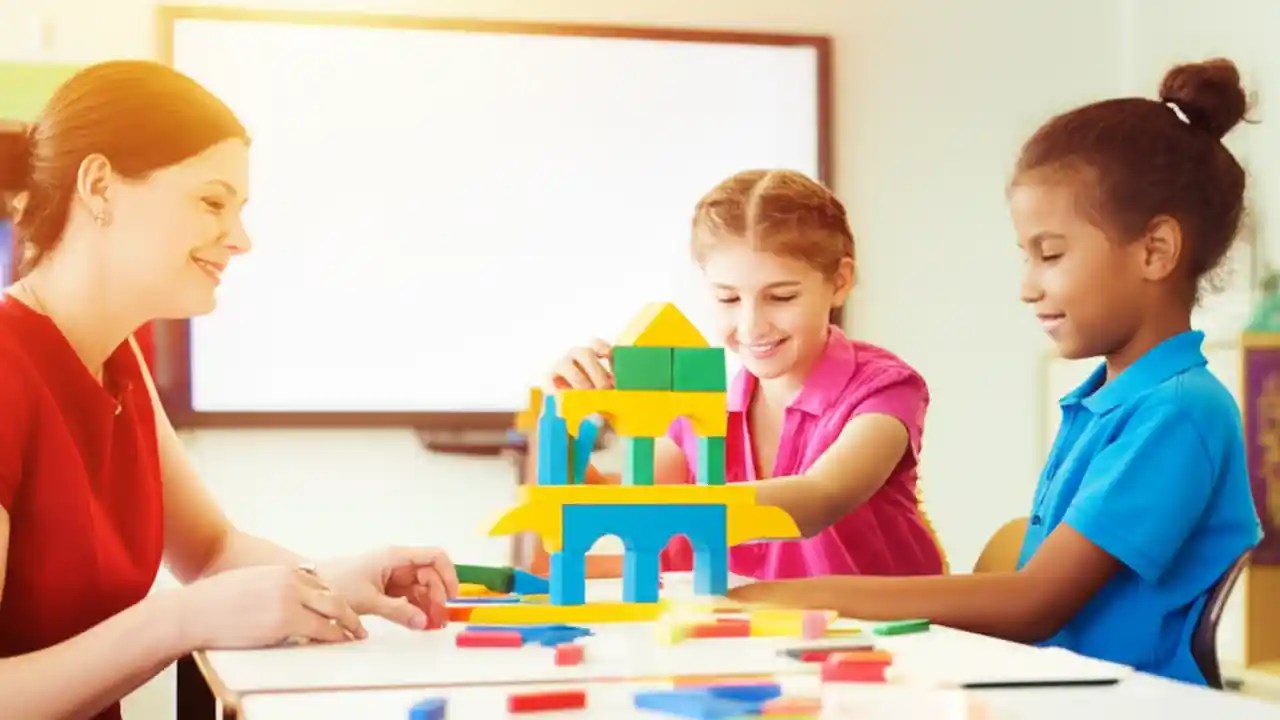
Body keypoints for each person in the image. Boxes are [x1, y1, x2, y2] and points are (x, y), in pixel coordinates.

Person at [726, 58, 1264, 686]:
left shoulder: (1178, 413)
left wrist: (791, 596)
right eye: (1026, 255)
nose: (1028, 287)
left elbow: (1033, 603)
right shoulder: (1111, 401)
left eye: (1051, 254)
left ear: (1155, 250)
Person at [0, 60, 459, 720]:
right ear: (99, 185)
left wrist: (340, 581)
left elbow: (212, 553)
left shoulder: (115, 359)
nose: (240, 240)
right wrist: (177, 621)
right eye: (212, 202)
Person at [546, 169, 947, 581]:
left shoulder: (882, 390)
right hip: (759, 637)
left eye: (781, 297)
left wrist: (679, 506)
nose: (752, 325)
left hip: (891, 634)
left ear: (840, 282)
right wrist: (569, 416)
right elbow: (624, 510)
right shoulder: (703, 411)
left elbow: (820, 498)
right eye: (728, 298)